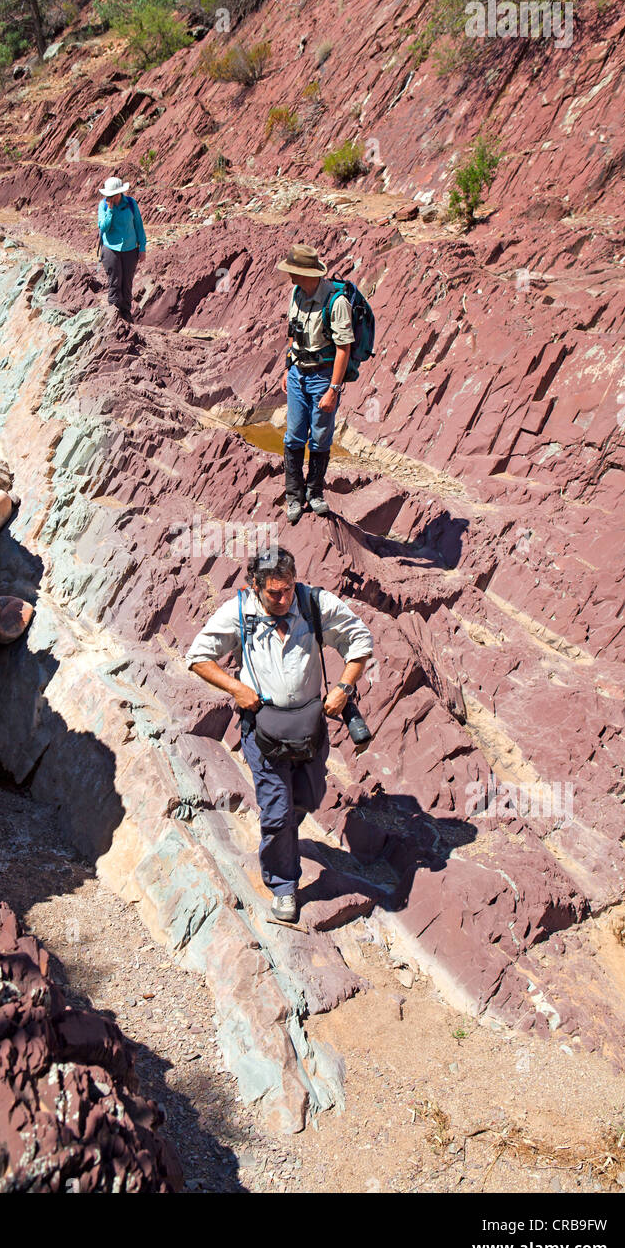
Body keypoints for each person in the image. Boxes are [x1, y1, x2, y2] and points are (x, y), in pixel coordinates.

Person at [186, 547, 373, 922]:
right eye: (274, 592)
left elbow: (360, 640)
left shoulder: (313, 603)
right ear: (254, 586)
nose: (283, 598)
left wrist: (345, 687)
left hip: (309, 729)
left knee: (307, 797)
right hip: (264, 730)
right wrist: (236, 688)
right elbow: (198, 656)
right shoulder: (238, 612)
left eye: (287, 589)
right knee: (276, 812)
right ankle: (283, 885)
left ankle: (283, 839)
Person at [278, 244, 354, 525]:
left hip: (323, 378)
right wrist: (287, 367)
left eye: (293, 272)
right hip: (298, 373)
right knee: (294, 435)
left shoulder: (337, 303)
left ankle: (315, 493)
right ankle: (294, 497)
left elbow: (344, 349)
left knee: (321, 437)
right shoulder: (296, 293)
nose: (290, 276)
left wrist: (334, 390)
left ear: (305, 273)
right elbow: (292, 334)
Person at [97, 176, 147, 321]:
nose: (110, 197)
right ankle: (114, 315)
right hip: (110, 249)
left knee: (127, 282)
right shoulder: (104, 205)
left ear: (120, 192)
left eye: (113, 194)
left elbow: (138, 225)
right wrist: (110, 211)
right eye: (108, 195)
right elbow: (103, 227)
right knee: (115, 281)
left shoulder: (131, 203)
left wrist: (142, 247)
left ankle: (126, 315)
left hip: (130, 249)